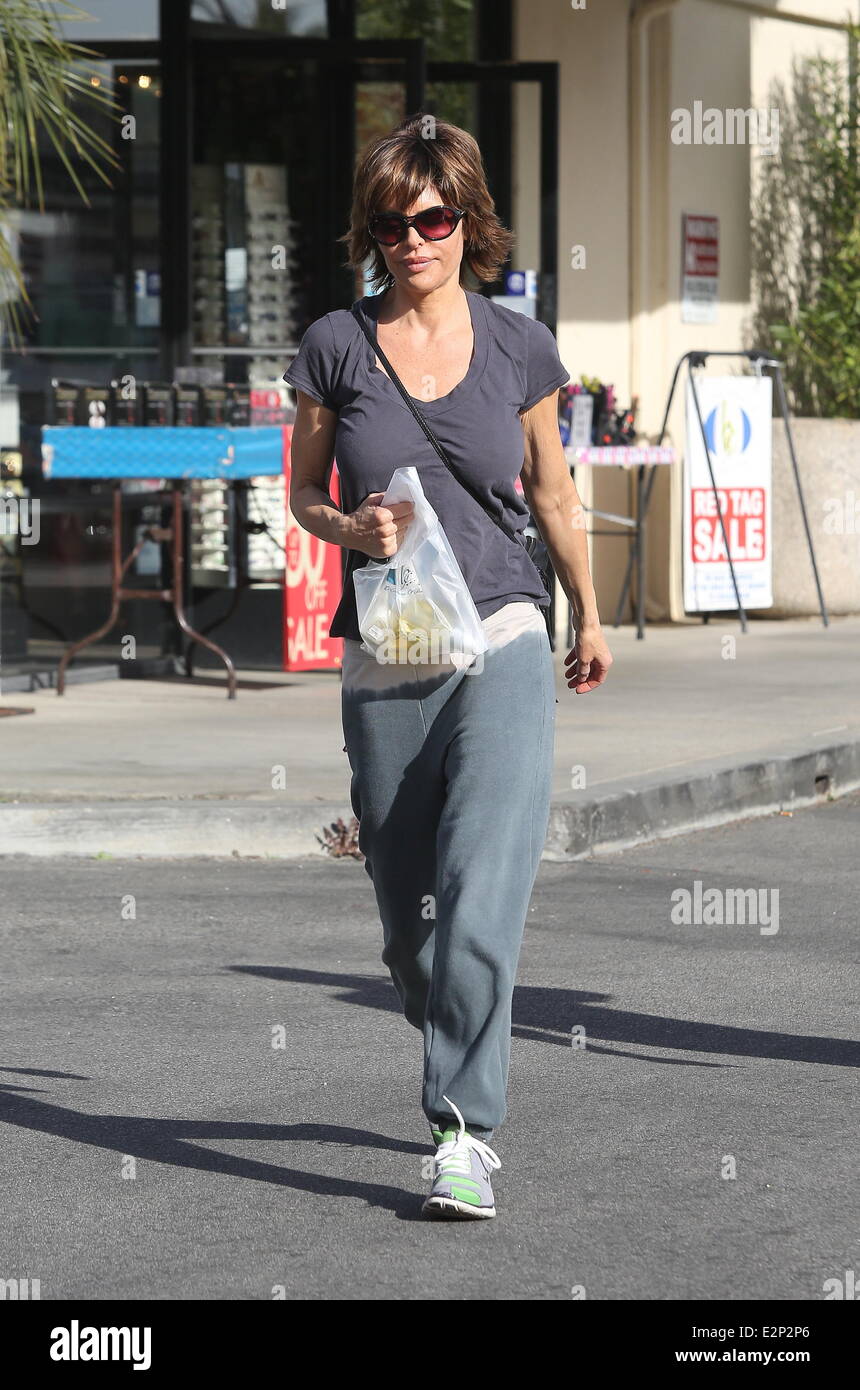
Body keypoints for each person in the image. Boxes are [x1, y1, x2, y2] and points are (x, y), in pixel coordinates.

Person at [285, 114, 612, 1220]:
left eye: (429, 217)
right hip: (390, 653)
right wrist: (347, 530)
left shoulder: (517, 344)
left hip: (506, 636)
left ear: (466, 221)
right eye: (389, 221)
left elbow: (555, 495)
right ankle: (447, 1024)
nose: (409, 238)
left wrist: (591, 615)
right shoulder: (336, 342)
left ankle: (461, 1130)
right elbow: (302, 494)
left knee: (482, 887)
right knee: (407, 918)